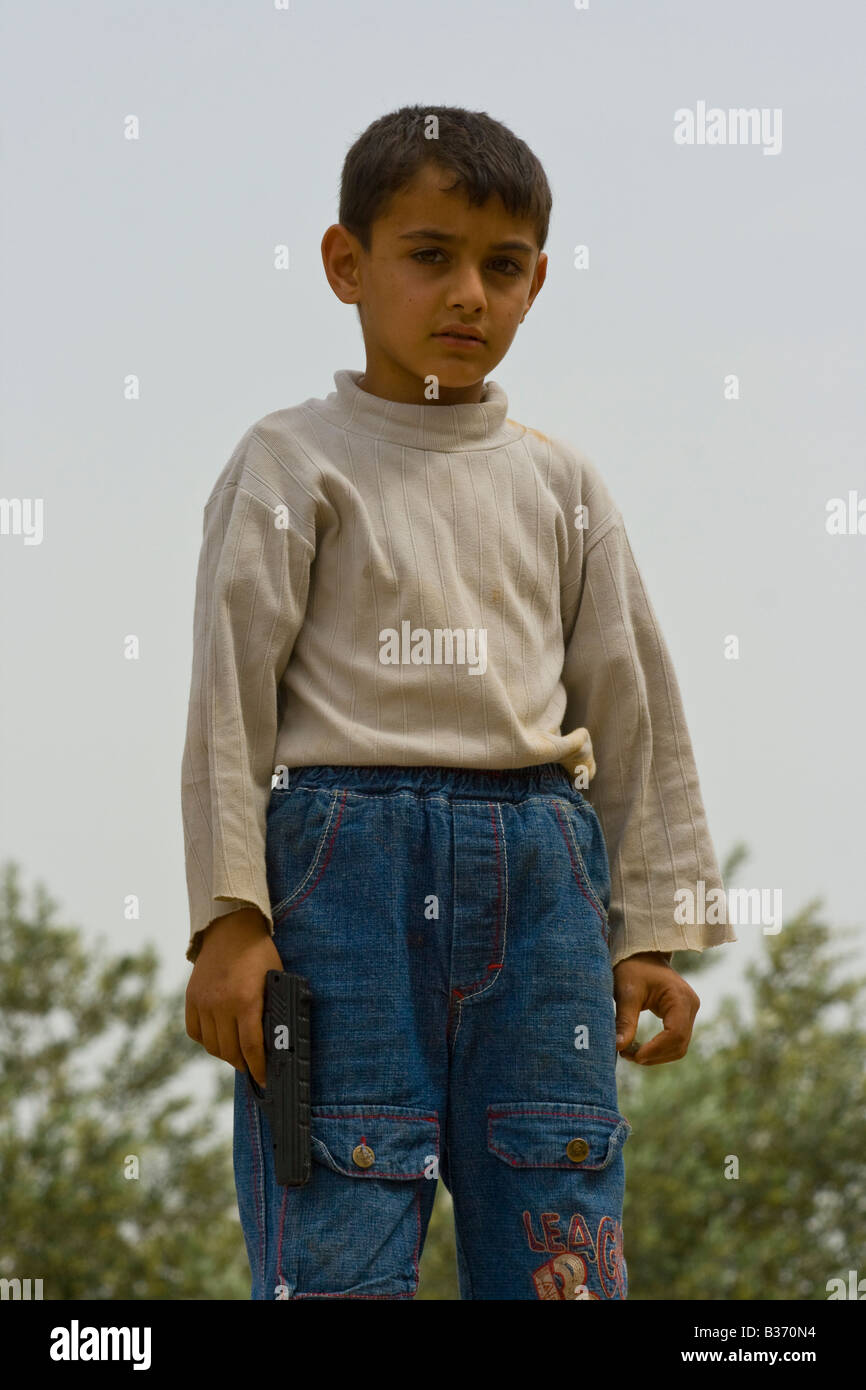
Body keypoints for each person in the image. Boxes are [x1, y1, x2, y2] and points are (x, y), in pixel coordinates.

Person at [181, 104, 737, 1301]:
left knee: (561, 1229)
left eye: (501, 266)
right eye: (429, 256)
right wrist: (230, 919)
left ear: (536, 279)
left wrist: (645, 928)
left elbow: (631, 705)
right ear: (348, 264)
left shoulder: (560, 480)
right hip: (340, 882)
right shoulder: (293, 460)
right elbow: (230, 698)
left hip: (542, 878)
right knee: (338, 1205)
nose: (467, 295)